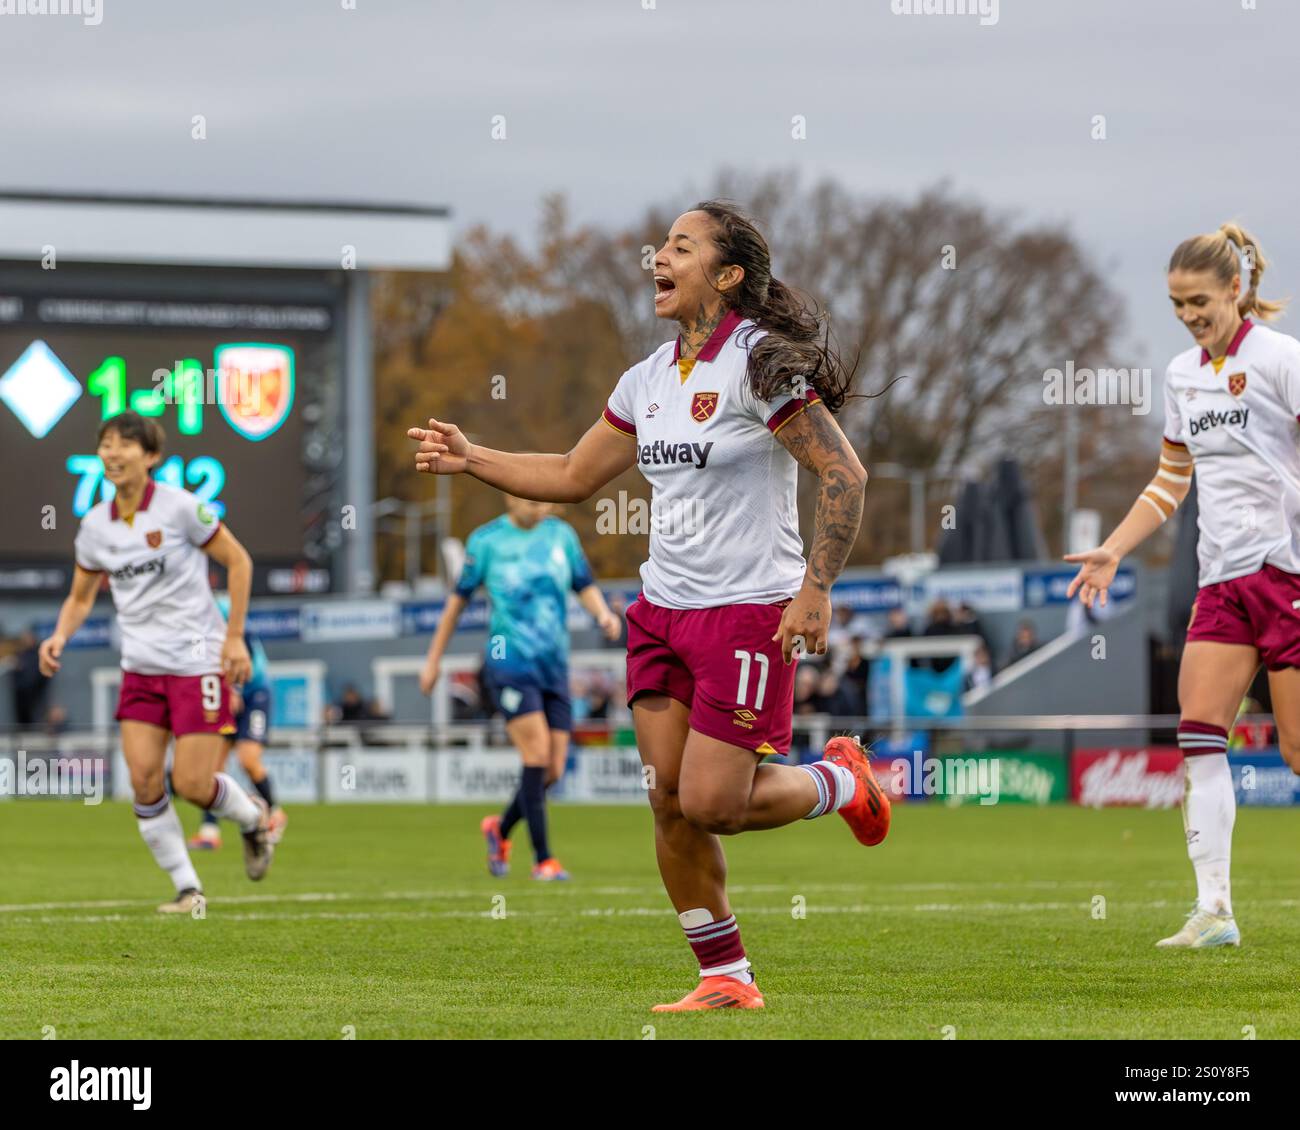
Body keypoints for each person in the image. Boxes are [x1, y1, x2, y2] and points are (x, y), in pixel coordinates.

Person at [410, 201, 889, 1012]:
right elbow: (569, 474)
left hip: (746, 611)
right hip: (660, 612)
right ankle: (726, 978)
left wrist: (816, 589)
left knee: (712, 804)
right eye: (659, 244)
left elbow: (845, 476)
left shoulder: (759, 366)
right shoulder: (646, 379)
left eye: (681, 246)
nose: (657, 257)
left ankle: (841, 782)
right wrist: (471, 458)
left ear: (728, 274)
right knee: (666, 801)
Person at [1067, 222, 1300, 949]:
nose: (1190, 315)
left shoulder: (1281, 360)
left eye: (1199, 300)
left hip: (1286, 573)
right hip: (1222, 581)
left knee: (1296, 750)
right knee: (1199, 736)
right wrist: (1111, 549)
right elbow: (1172, 478)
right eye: (1176, 305)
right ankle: (1215, 911)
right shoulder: (1181, 375)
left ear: (1237, 289)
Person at [38, 411, 273, 913]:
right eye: (105, 444)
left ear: (150, 457)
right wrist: (59, 635)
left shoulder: (182, 508)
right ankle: (190, 889)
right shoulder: (95, 526)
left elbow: (239, 561)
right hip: (141, 667)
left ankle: (254, 819)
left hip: (197, 662)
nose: (112, 453)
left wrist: (234, 640)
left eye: (124, 444)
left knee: (190, 783)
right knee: (143, 781)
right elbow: (81, 597)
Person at [419, 494, 620, 881]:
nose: (542, 504)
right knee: (537, 754)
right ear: (511, 495)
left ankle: (500, 828)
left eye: (547, 498)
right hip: (508, 662)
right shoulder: (486, 541)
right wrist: (433, 660)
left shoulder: (562, 535)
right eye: (533, 497)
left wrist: (603, 614)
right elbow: (455, 605)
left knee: (553, 769)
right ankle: (544, 860)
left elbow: (585, 585)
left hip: (554, 666)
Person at [189, 594, 286, 851]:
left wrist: (235, 688)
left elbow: (247, 658)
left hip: (255, 694)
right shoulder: (193, 618)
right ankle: (209, 832)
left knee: (249, 761)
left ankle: (274, 814)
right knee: (213, 768)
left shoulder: (223, 610)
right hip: (226, 696)